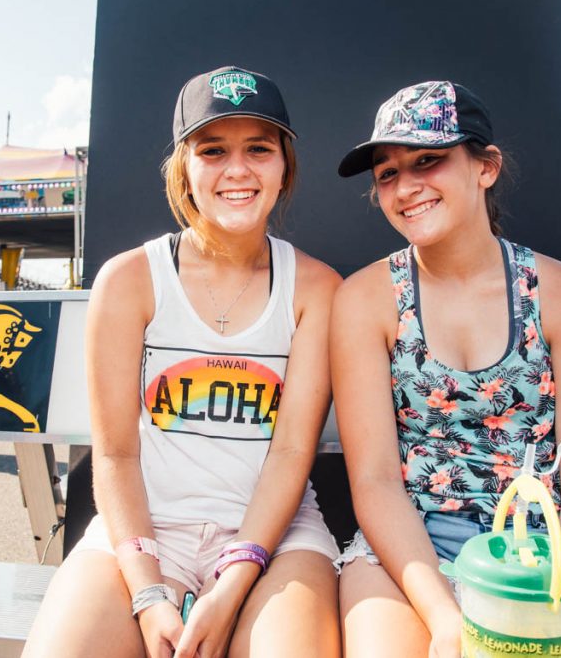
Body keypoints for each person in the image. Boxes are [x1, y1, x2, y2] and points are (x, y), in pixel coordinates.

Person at [24, 66, 341, 658]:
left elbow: (293, 452)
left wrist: (234, 581)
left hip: (277, 539)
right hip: (146, 532)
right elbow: (116, 454)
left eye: (259, 149)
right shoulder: (128, 279)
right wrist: (147, 593)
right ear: (185, 168)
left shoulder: (316, 288)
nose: (238, 169)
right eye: (213, 150)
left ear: (283, 167)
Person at [330, 81, 561, 658]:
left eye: (429, 161)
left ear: (486, 167)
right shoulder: (366, 299)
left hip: (544, 552)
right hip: (412, 553)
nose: (406, 187)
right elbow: (376, 482)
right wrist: (445, 618)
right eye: (387, 173)